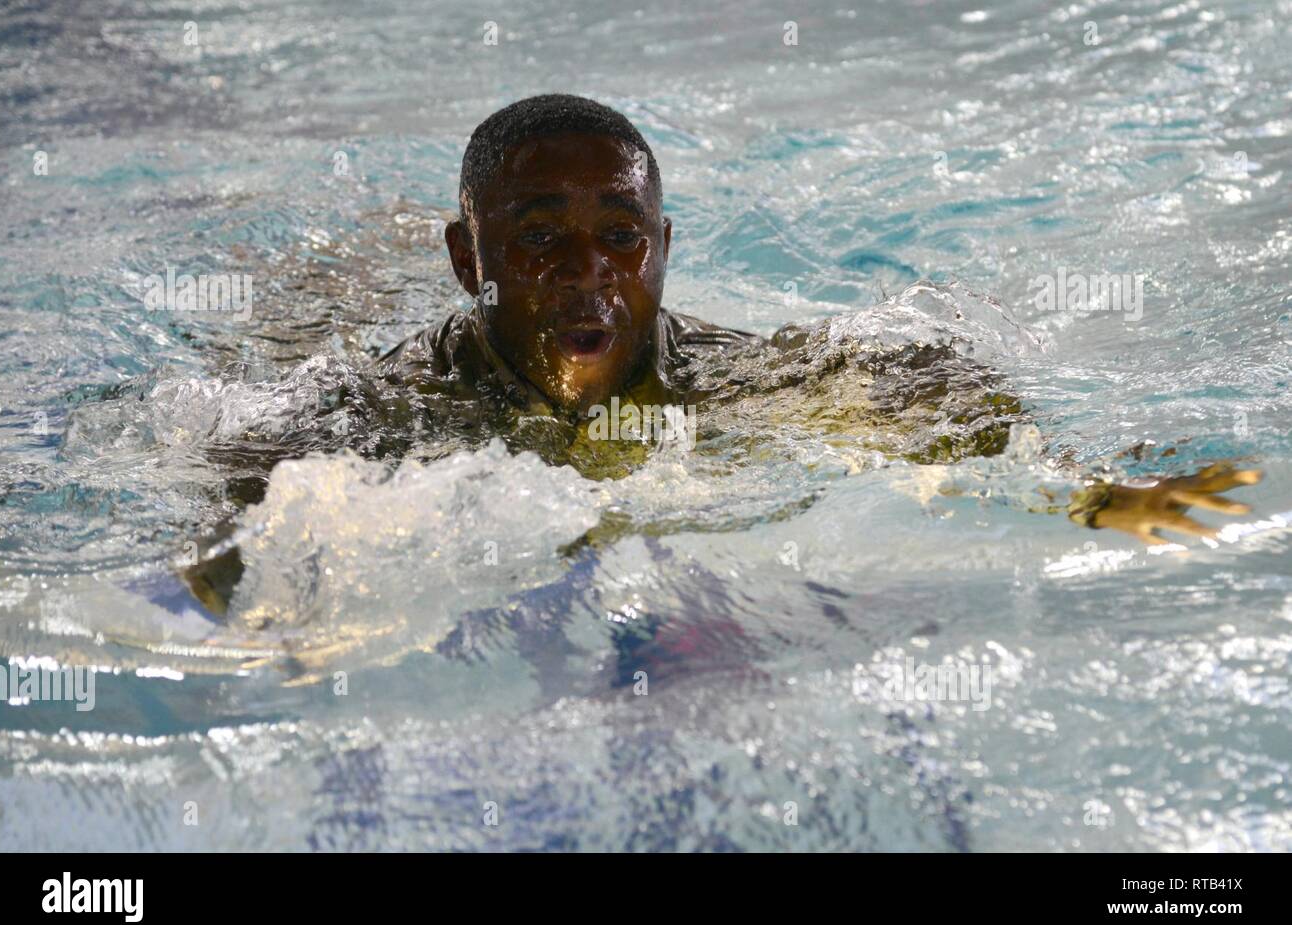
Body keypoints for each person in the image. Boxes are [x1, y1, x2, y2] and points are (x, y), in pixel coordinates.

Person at [182, 93, 1261, 614]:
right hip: (340, 346)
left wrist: (1085, 495)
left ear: (662, 250)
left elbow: (919, 387)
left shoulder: (719, 382)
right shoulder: (394, 403)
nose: (587, 275)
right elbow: (236, 499)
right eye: (539, 238)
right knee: (293, 320)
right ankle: (334, 259)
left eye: (619, 236)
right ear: (472, 260)